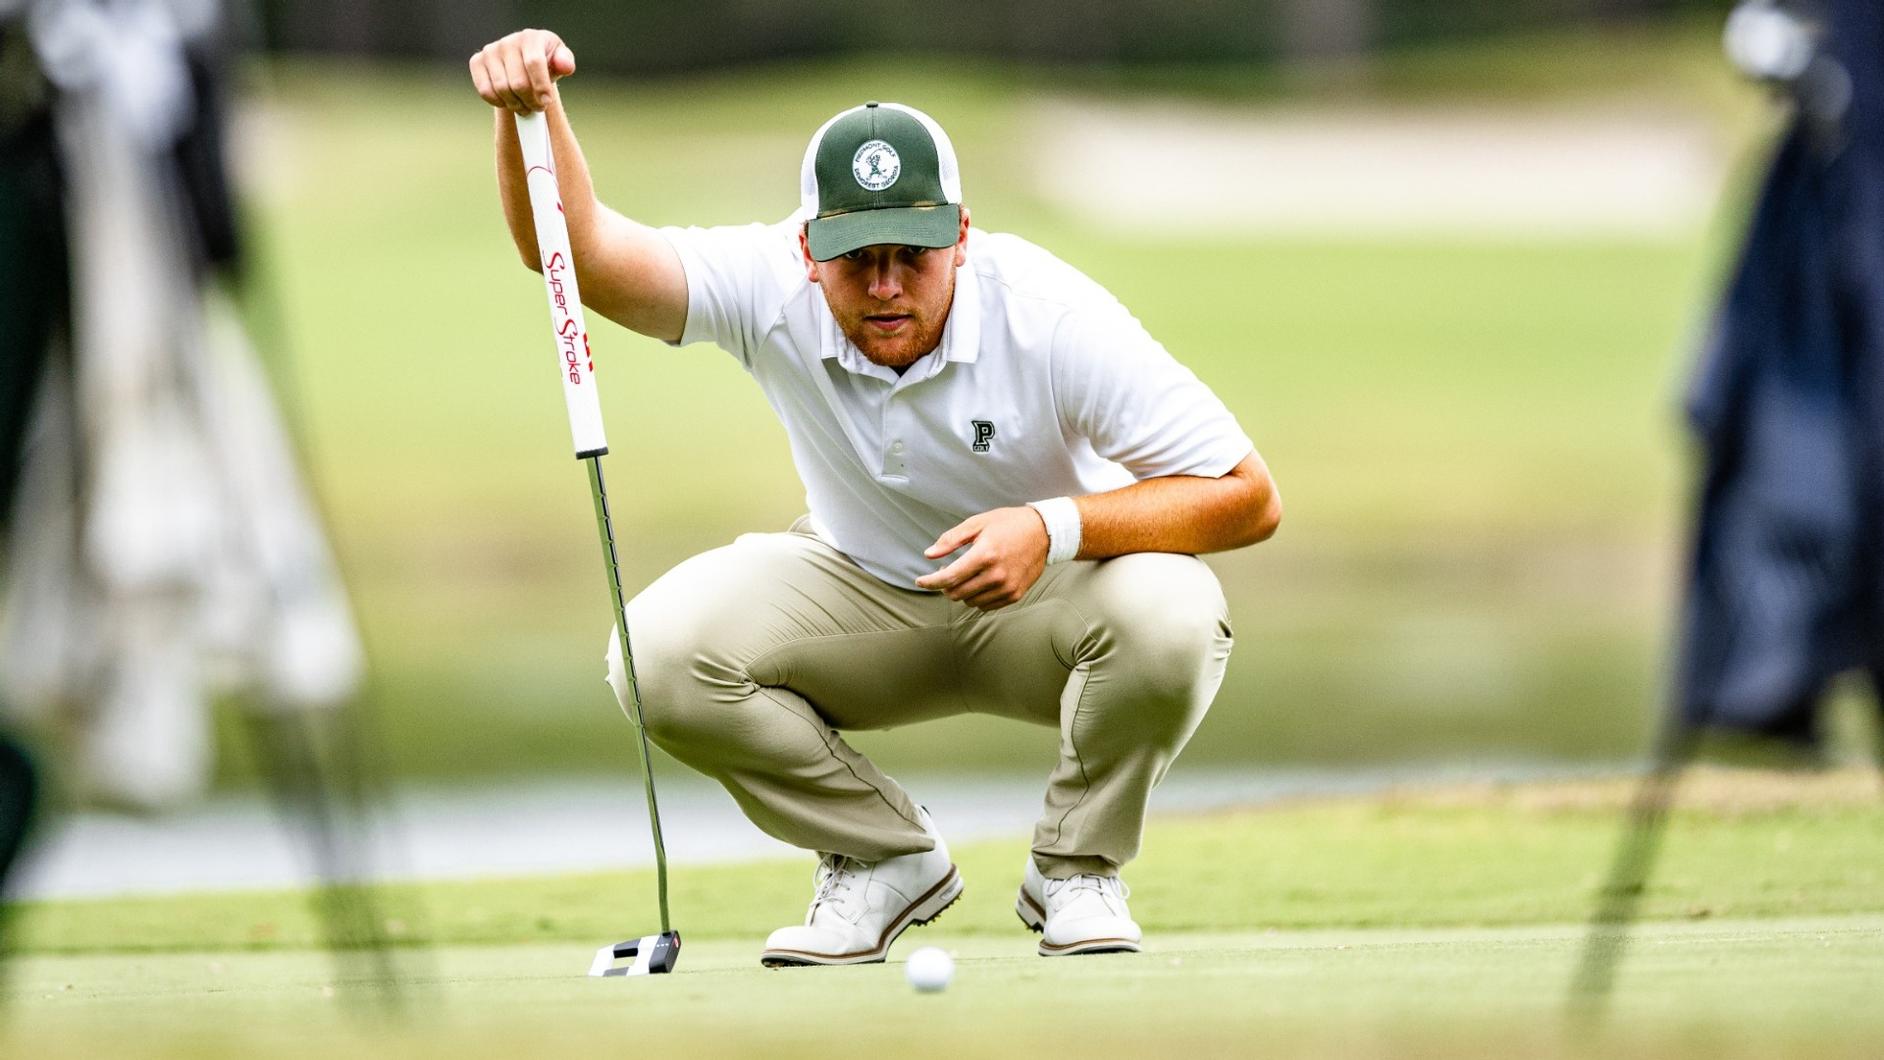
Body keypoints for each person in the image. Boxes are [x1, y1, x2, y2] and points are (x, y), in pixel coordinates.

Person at [470, 28, 1281, 967]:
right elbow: (578, 256)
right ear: (808, 247)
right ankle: (881, 854)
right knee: (652, 656)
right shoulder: (767, 282)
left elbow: (1246, 495)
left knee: (1174, 612)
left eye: (915, 252)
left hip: (1048, 603)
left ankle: (1077, 868)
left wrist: (1053, 527)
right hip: (856, 597)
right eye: (858, 258)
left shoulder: (1052, 316)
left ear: (962, 237)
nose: (887, 286)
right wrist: (530, 113)